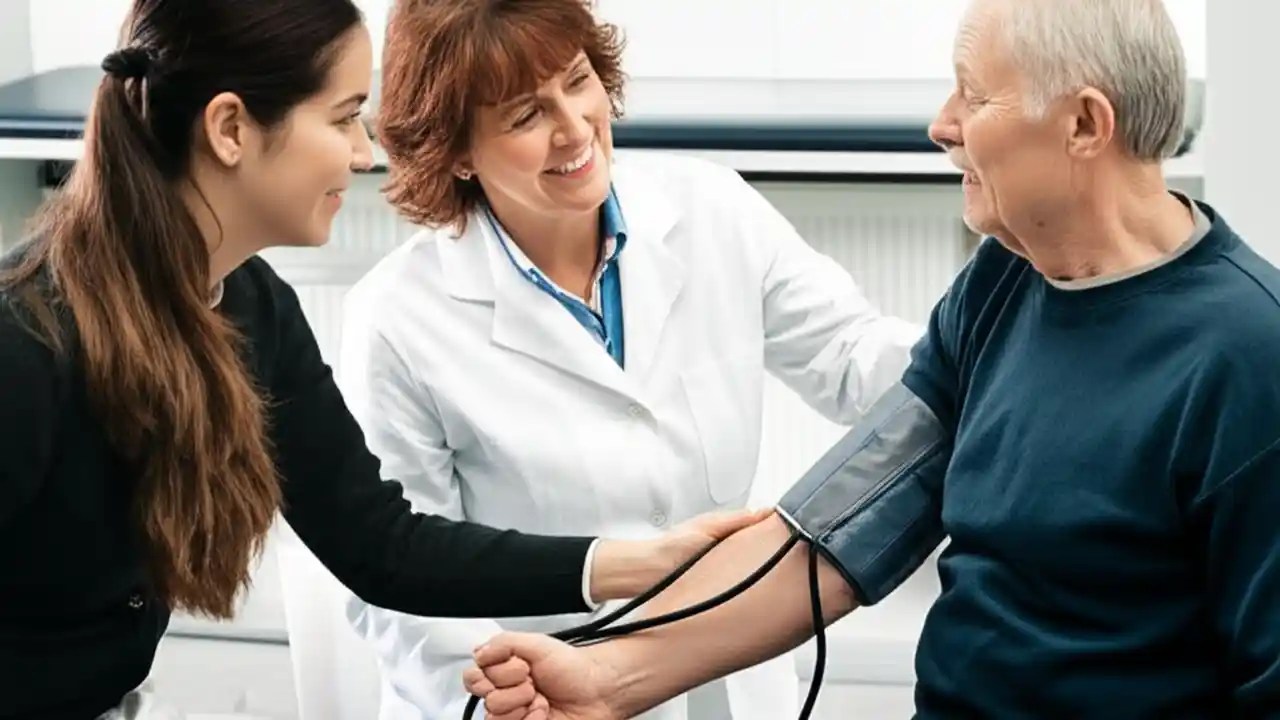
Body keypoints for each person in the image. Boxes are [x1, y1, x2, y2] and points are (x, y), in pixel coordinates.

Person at [464, 0, 1280, 718]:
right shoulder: (1001, 284)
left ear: (1084, 125)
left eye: (975, 92)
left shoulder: (1247, 356)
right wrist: (606, 677)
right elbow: (834, 534)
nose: (942, 124)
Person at [0, 2, 769, 718]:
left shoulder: (249, 306)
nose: (366, 155)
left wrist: (639, 562)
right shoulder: (24, 349)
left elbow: (382, 547)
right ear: (230, 128)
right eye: (343, 120)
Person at [337, 1, 922, 719]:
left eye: (577, 81)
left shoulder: (710, 210)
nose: (575, 127)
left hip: (724, 683)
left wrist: (994, 342)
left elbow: (857, 360)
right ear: (455, 151)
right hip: (537, 697)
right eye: (526, 116)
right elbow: (401, 582)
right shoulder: (398, 320)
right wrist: (504, 696)